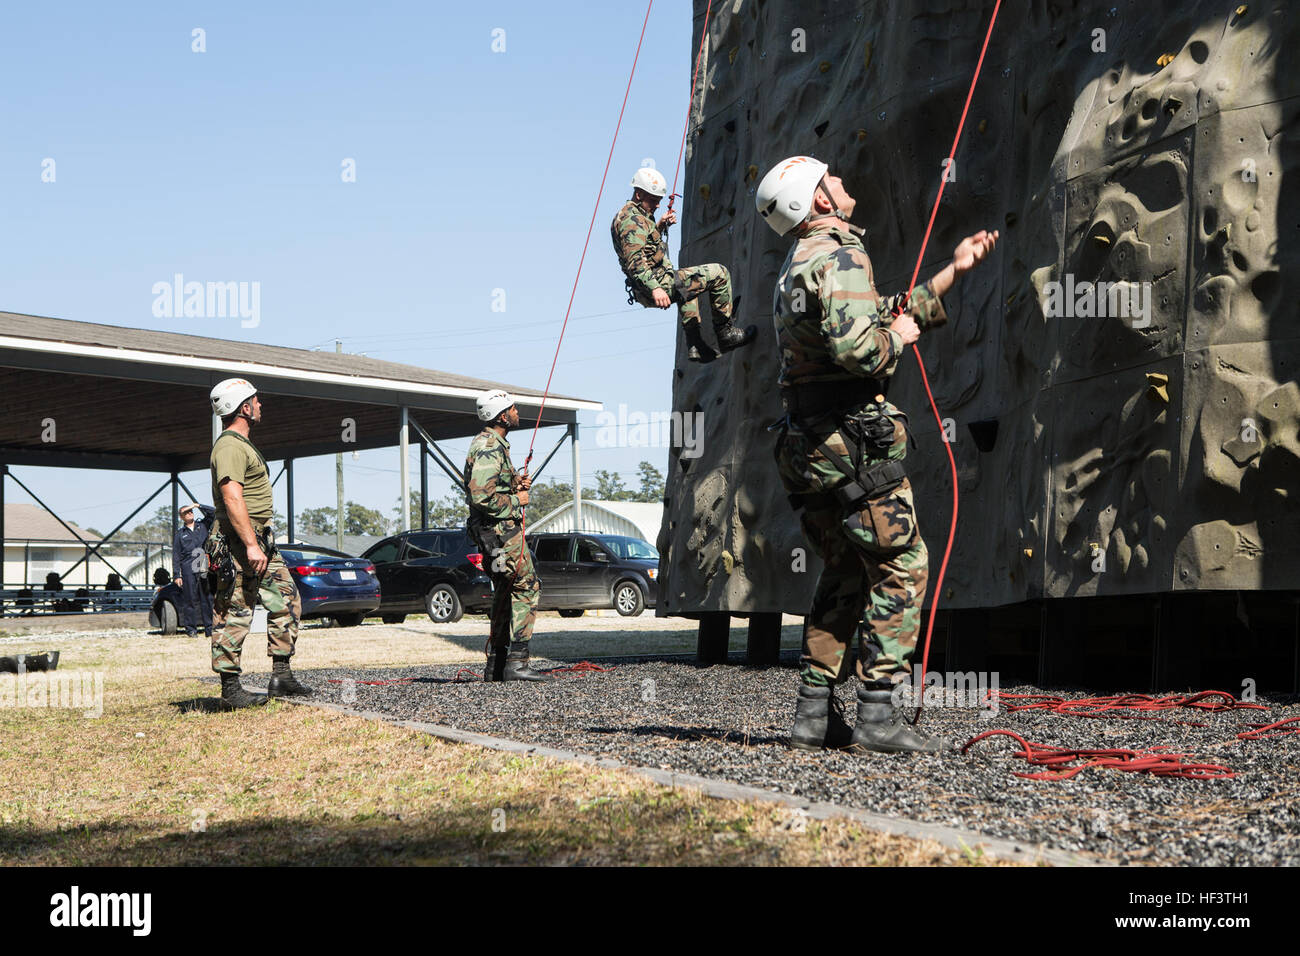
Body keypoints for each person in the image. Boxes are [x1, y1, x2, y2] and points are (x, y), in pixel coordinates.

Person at [755, 155, 998, 753]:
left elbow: (871, 313)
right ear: (819, 201)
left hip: (807, 446)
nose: (842, 182)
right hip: (852, 444)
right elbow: (862, 348)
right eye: (830, 178)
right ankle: (878, 715)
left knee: (842, 569)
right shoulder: (841, 252)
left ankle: (813, 714)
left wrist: (951, 272)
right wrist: (897, 340)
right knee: (902, 566)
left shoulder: (797, 262)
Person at [207, 378, 311, 709]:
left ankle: (281, 676)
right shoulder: (230, 447)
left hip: (259, 538)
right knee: (235, 610)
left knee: (287, 600)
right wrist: (250, 545)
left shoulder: (241, 444)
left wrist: (258, 542)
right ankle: (230, 688)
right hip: (240, 540)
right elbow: (231, 496)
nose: (261, 405)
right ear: (244, 407)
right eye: (256, 400)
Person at [612, 166, 757, 363]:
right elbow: (636, 263)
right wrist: (656, 289)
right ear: (638, 194)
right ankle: (725, 333)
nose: (656, 206)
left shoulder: (638, 216)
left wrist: (660, 226)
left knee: (689, 286)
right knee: (719, 273)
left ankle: (695, 344)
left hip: (652, 282)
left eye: (659, 201)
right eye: (653, 201)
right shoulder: (633, 221)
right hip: (654, 283)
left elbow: (645, 247)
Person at [463, 389, 546, 682]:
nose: (517, 412)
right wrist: (516, 501)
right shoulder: (489, 447)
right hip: (500, 533)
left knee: (503, 591)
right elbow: (481, 496)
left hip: (491, 534)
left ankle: (496, 665)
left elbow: (490, 486)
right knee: (526, 585)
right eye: (512, 408)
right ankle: (517, 663)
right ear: (501, 415)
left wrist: (514, 483)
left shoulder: (493, 445)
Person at [172, 502, 215, 638]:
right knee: (190, 598)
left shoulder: (202, 526)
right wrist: (176, 575)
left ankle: (209, 629)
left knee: (206, 597)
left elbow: (213, 513)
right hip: (187, 565)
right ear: (181, 517)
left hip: (202, 562)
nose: (189, 513)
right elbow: (176, 555)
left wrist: (198, 506)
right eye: (186, 512)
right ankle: (191, 629)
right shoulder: (180, 534)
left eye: (190, 511)